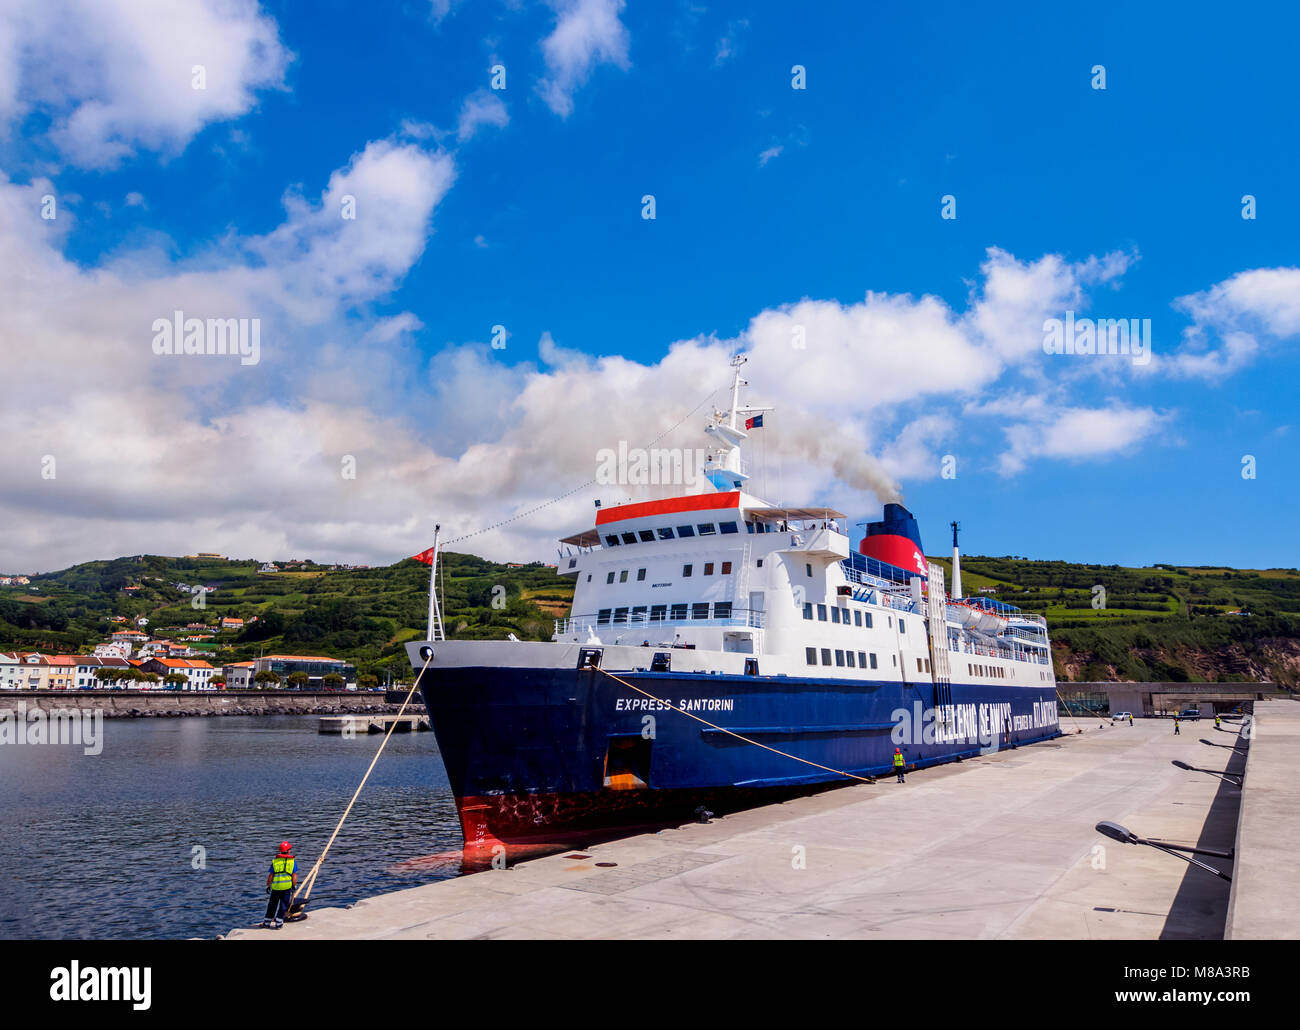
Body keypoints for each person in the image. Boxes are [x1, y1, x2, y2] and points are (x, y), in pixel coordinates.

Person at [262, 841, 297, 929]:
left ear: (280, 851)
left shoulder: (275, 862)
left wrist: (268, 885)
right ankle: (278, 923)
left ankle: (267, 922)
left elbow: (271, 876)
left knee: (272, 905)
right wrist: (294, 886)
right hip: (287, 888)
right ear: (288, 851)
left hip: (276, 888)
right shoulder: (292, 862)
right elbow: (294, 876)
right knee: (283, 905)